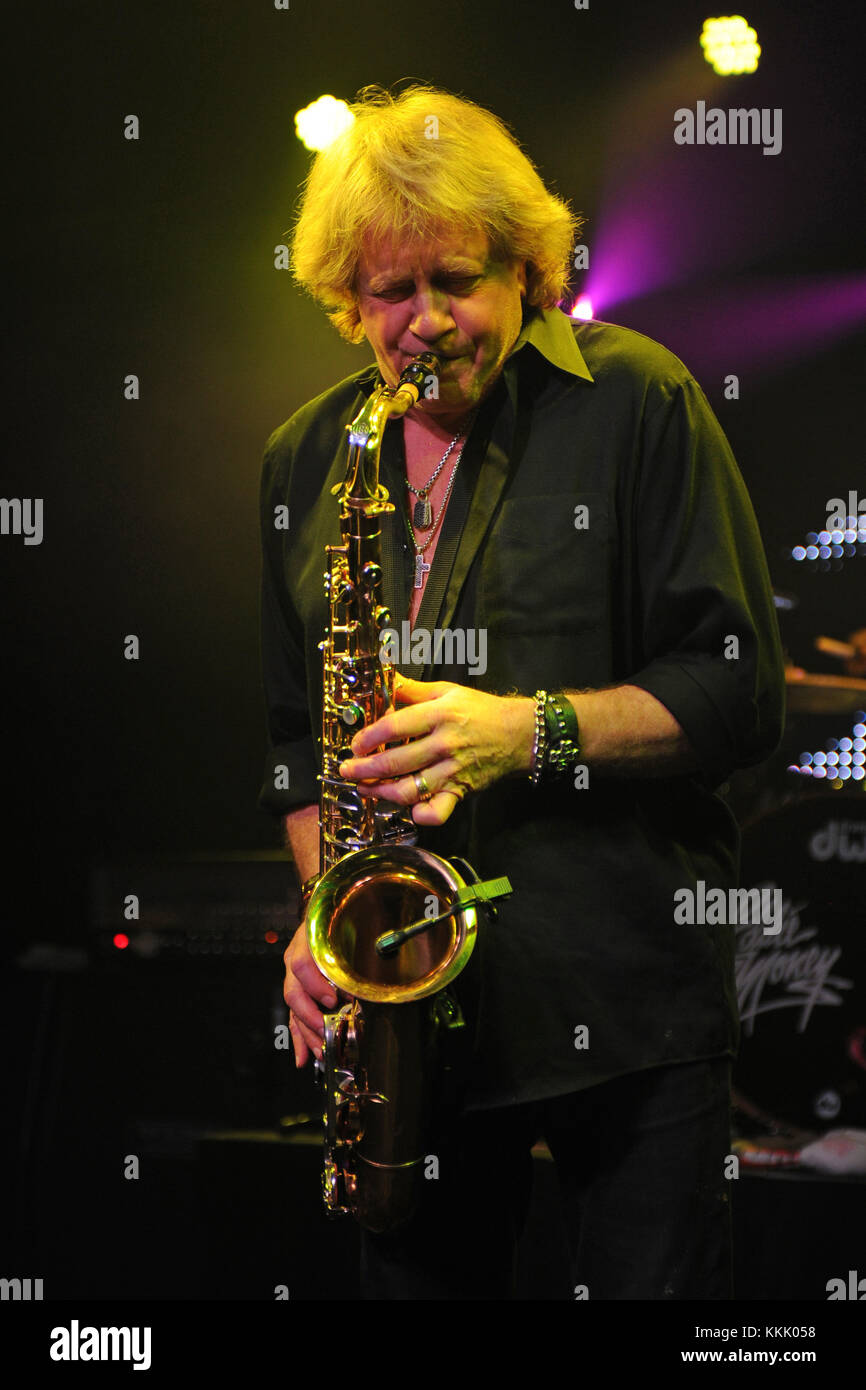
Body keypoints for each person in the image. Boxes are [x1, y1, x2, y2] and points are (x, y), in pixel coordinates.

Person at [259, 84, 785, 1299]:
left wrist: (524, 733)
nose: (426, 323)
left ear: (529, 270)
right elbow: (295, 739)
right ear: (349, 299)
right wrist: (327, 918)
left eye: (456, 280)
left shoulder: (638, 398)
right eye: (392, 294)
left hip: (623, 1003)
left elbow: (735, 689)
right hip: (412, 1018)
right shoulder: (307, 455)